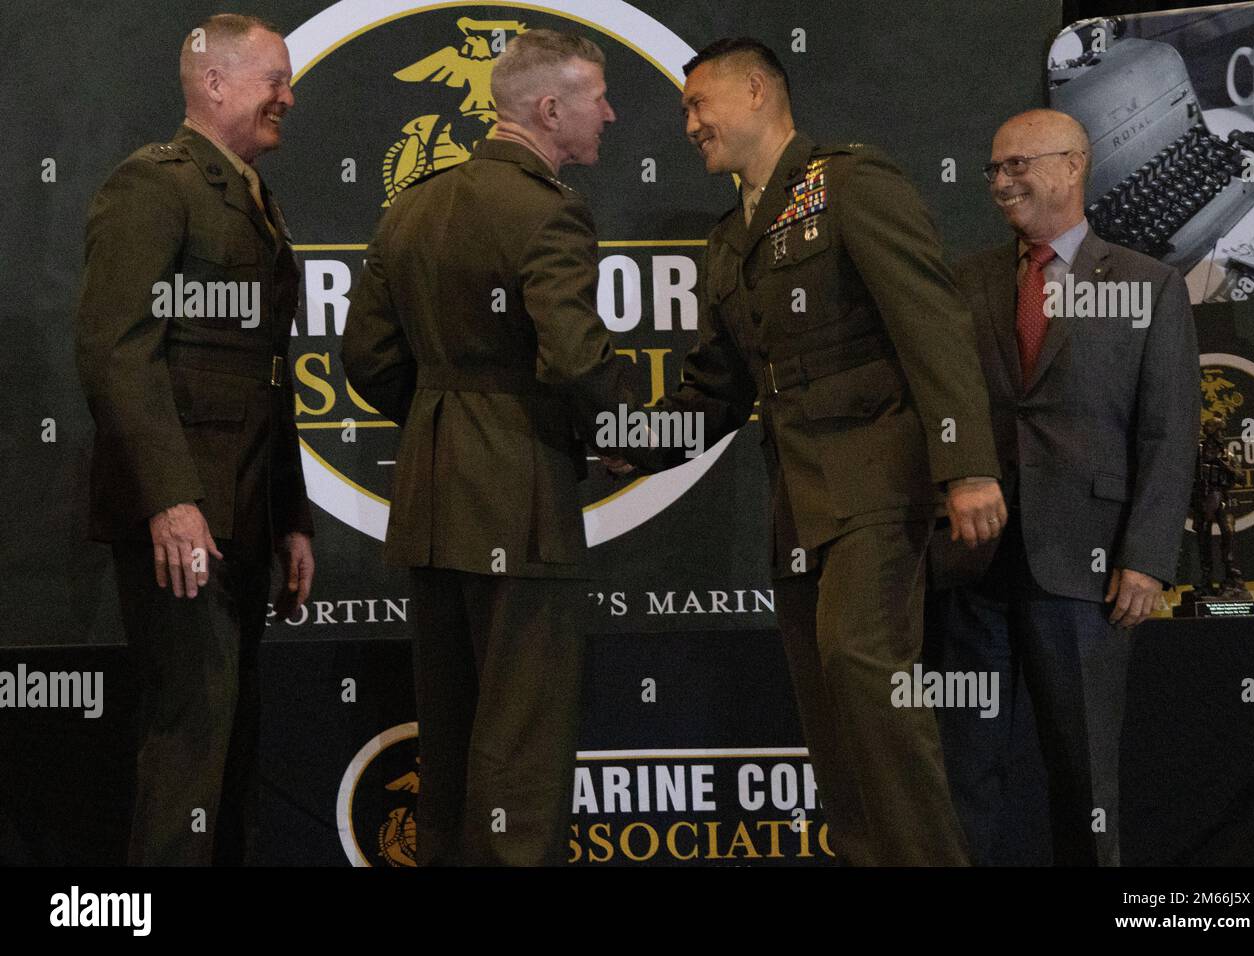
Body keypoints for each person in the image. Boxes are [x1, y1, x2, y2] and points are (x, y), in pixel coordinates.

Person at [608, 38, 1006, 865]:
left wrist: (968, 465)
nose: (687, 124)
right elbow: (718, 388)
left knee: (862, 664)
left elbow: (931, 325)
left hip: (880, 481)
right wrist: (632, 443)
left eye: (696, 104)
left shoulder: (852, 183)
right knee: (830, 702)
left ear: (756, 91)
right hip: (798, 502)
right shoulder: (729, 238)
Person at [342, 29, 647, 866]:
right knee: (523, 745)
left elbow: (365, 358)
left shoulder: (411, 205)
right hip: (521, 501)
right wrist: (629, 434)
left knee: (449, 738)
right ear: (550, 110)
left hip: (431, 505)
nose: (612, 115)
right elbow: (578, 359)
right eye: (598, 97)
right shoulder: (549, 211)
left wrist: (447, 418)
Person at [924, 108, 1200, 865]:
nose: (1002, 181)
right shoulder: (964, 280)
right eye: (994, 168)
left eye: (1020, 165)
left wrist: (1146, 557)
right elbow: (939, 405)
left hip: (1087, 570)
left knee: (1084, 781)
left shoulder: (1149, 285)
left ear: (1074, 167)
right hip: (971, 567)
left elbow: (1169, 433)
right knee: (961, 774)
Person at [74, 13, 315, 865]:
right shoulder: (153, 185)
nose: (290, 96)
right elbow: (116, 351)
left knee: (231, 741)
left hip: (245, 515)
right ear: (215, 85)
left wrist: (293, 516)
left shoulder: (250, 195)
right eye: (274, 81)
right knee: (190, 743)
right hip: (183, 523)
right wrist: (171, 499)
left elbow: (266, 373)